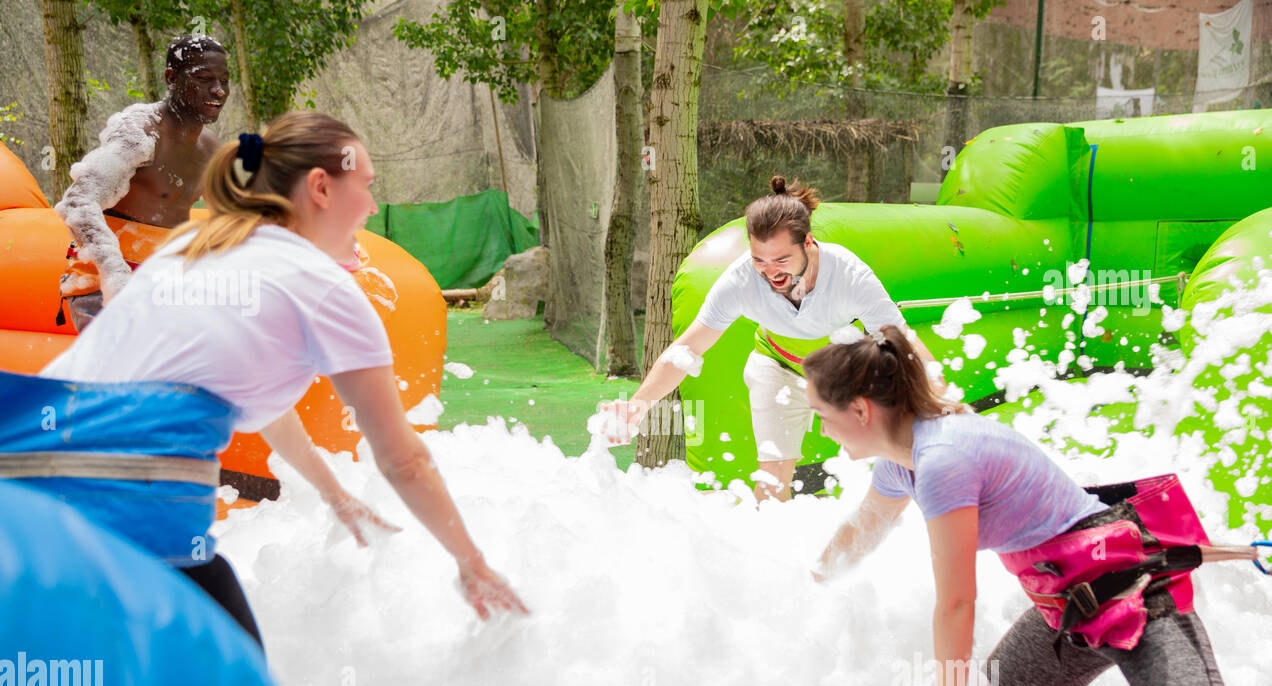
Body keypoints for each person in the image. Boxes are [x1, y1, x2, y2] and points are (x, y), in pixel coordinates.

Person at [25, 111, 528, 646]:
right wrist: (472, 562)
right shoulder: (324, 289)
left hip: (25, 459)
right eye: (366, 187)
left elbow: (258, 400)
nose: (374, 207)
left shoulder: (193, 249)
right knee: (228, 679)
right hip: (111, 494)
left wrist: (333, 493)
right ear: (321, 188)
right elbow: (403, 457)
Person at [803, 325, 1272, 686]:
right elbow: (865, 527)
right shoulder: (903, 458)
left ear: (861, 410)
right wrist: (810, 582)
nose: (821, 431)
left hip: (1134, 600)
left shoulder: (941, 461)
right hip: (1073, 607)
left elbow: (956, 602)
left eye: (822, 415)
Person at [599, 175, 940, 502]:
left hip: (840, 374)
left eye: (781, 259)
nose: (770, 271)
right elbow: (688, 348)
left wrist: (942, 399)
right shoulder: (741, 280)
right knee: (773, 482)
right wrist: (637, 405)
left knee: (892, 456)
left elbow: (901, 342)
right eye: (759, 259)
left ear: (808, 243)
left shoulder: (849, 275)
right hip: (776, 367)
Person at [54, 34, 230, 331]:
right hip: (104, 288)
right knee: (130, 373)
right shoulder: (140, 133)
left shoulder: (211, 150)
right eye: (204, 78)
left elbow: (231, 220)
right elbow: (78, 203)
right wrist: (115, 276)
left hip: (164, 287)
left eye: (224, 80)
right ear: (171, 78)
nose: (218, 90)